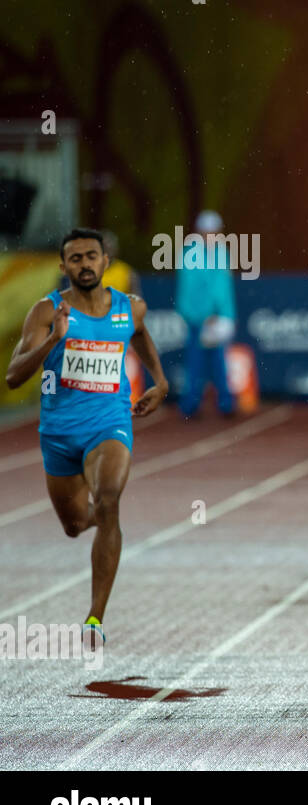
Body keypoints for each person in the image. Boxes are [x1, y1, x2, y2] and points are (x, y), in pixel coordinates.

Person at [4, 228, 168, 647]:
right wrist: (54, 342)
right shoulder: (47, 312)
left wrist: (160, 382)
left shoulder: (128, 308)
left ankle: (95, 617)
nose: (84, 264)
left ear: (105, 262)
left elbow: (138, 332)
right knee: (75, 525)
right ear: (63, 267)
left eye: (91, 256)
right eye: (74, 259)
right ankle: (99, 521)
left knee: (109, 499)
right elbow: (12, 376)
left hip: (108, 423)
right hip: (58, 433)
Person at [176, 210, 236, 418]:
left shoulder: (221, 253)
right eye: (208, 232)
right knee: (196, 363)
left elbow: (224, 289)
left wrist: (227, 315)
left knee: (219, 362)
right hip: (199, 319)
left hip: (218, 319)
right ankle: (190, 405)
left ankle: (225, 403)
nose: (212, 236)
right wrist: (203, 315)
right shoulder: (191, 254)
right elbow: (190, 289)